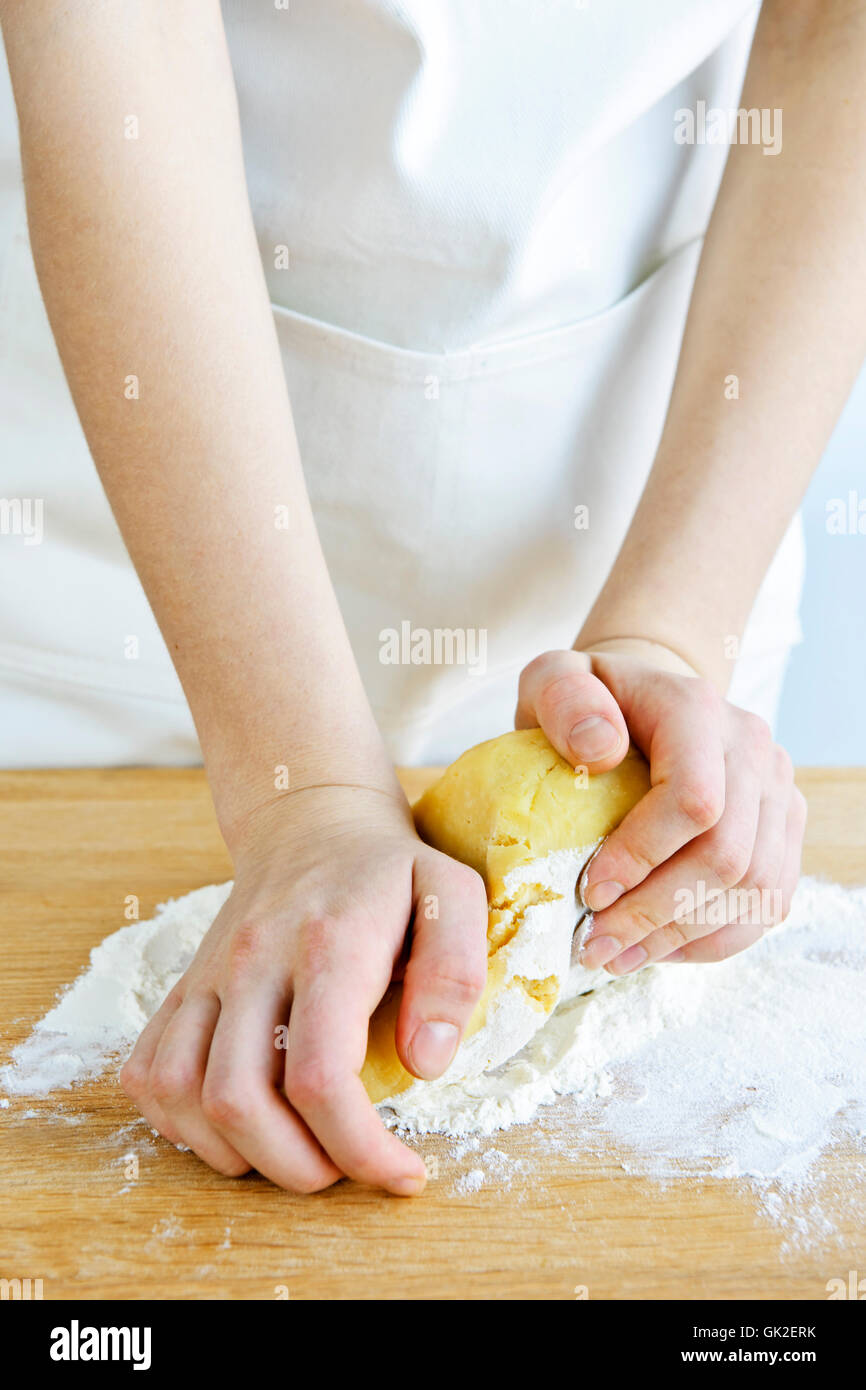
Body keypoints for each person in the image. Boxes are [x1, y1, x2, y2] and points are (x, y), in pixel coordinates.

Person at [1, 0, 863, 1196]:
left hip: (659, 474)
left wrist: (665, 635)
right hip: (140, 543)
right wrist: (299, 790)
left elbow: (835, 30)